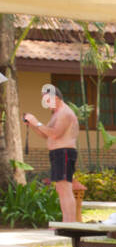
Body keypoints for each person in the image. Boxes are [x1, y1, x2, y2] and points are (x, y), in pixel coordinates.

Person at [24, 84, 80, 222]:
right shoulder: (56, 114)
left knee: (65, 188)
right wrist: (32, 125)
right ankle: (66, 222)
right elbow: (46, 134)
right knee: (60, 189)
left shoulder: (65, 113)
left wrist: (36, 122)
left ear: (55, 98)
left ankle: (70, 222)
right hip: (57, 154)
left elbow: (55, 134)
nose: (46, 104)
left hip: (65, 152)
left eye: (47, 101)